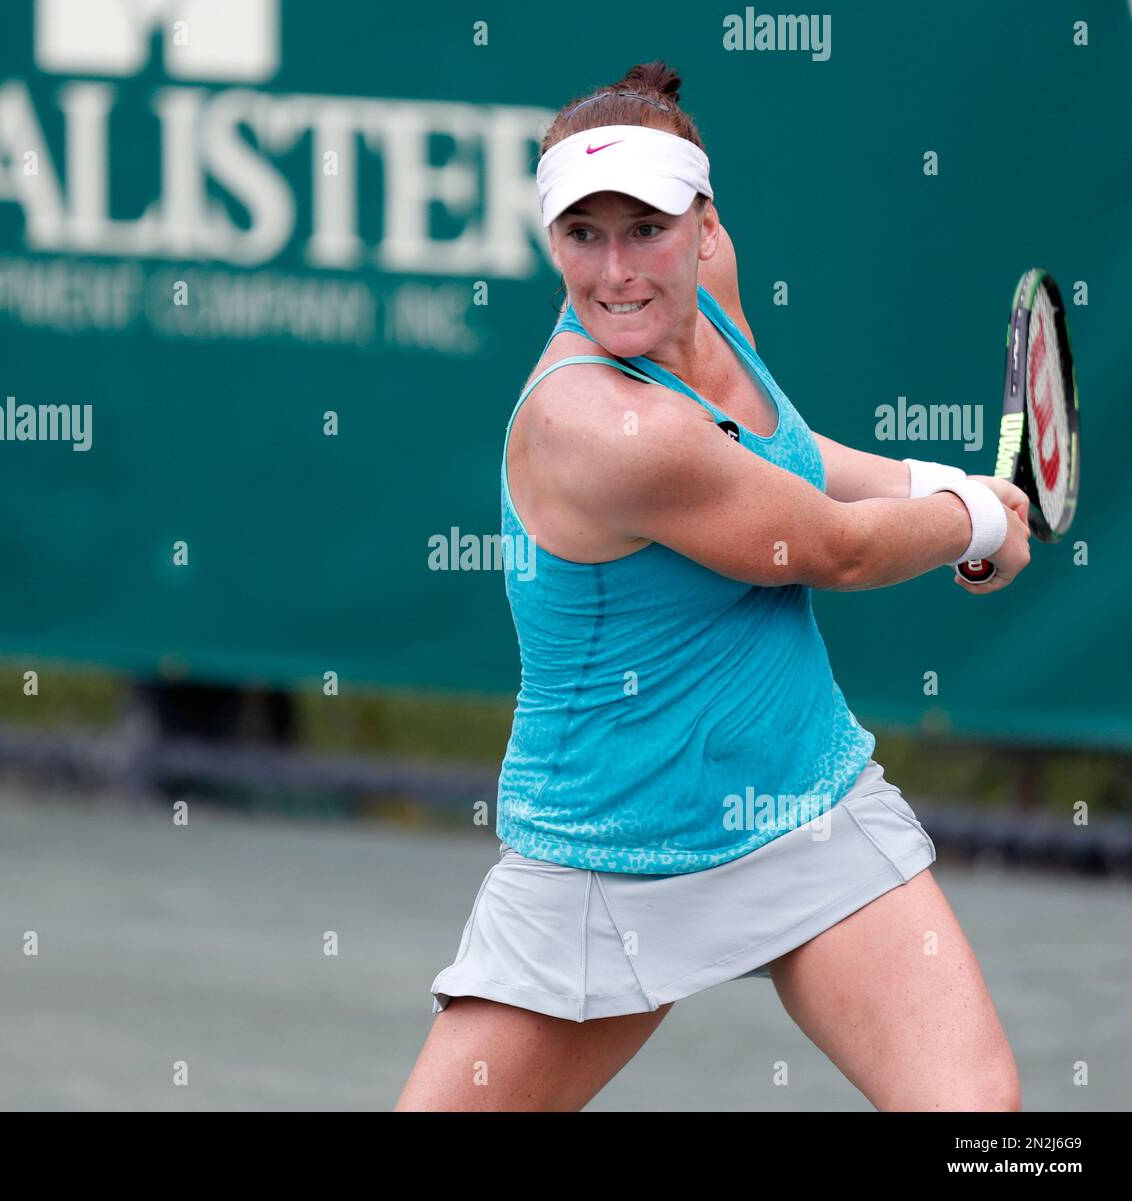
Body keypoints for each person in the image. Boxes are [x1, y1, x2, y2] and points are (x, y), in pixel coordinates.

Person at [395, 61, 1030, 1112]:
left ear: (705, 226)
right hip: (606, 852)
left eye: (644, 228)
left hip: (799, 800)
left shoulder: (712, 294)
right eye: (580, 234)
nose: (614, 271)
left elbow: (779, 460)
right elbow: (834, 547)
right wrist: (975, 519)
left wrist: (937, 483)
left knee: (975, 1118)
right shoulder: (597, 427)